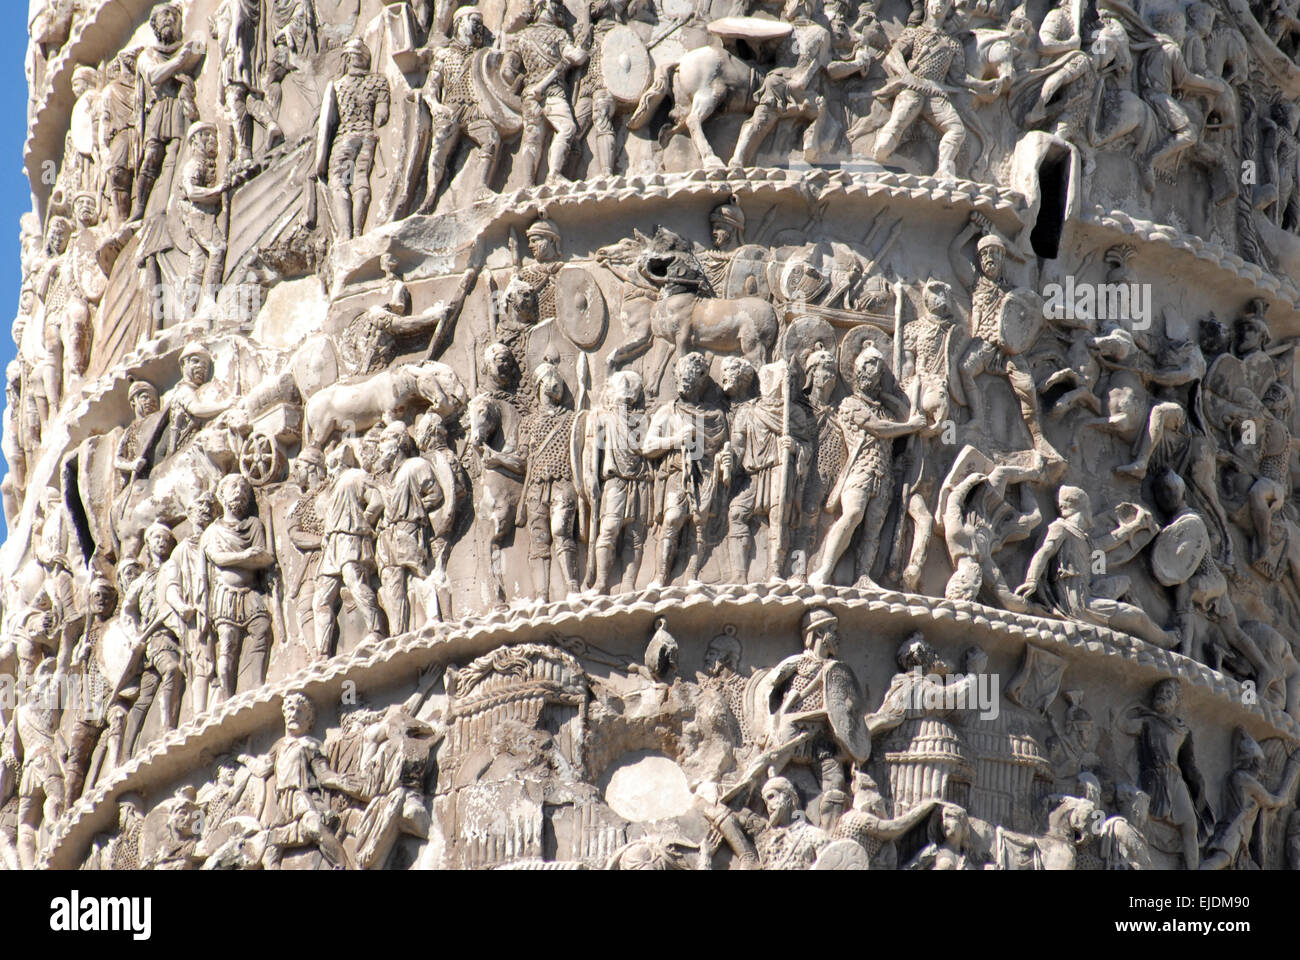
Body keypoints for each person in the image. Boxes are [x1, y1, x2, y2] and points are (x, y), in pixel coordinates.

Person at [202, 475, 274, 700]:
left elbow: (264, 557)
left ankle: (257, 683)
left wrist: (253, 559)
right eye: (233, 486)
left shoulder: (254, 525)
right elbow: (217, 557)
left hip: (250, 591)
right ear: (221, 495)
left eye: (244, 488)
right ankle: (227, 695)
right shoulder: (213, 531)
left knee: (262, 629)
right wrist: (245, 556)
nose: (240, 491)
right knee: (228, 644)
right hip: (225, 594)